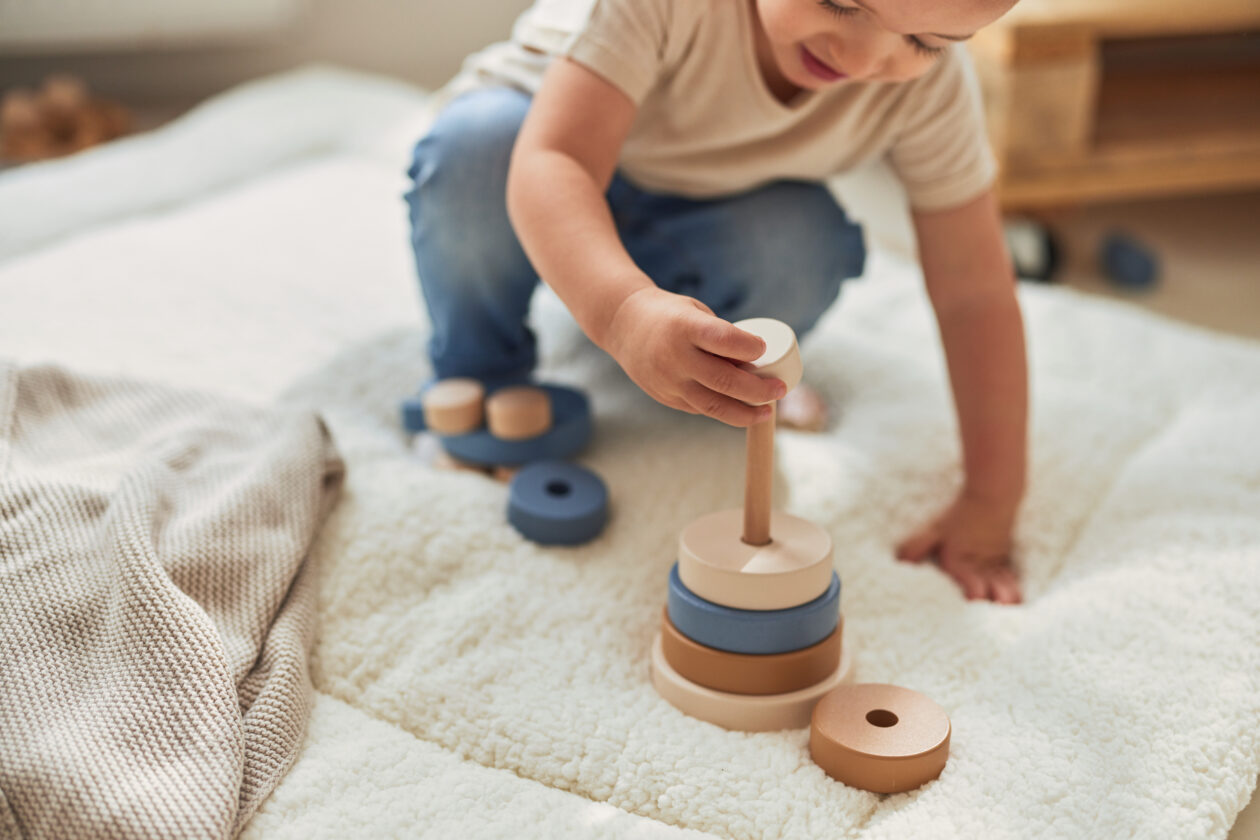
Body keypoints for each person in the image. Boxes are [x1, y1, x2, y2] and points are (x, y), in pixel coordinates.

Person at [406, 0, 1027, 604]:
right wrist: (623, 313)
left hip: (699, 209)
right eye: (840, 4)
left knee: (798, 241)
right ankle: (482, 373)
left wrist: (992, 503)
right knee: (475, 150)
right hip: (537, 160)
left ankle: (708, 367)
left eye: (925, 43)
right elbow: (554, 161)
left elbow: (974, 291)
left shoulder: (933, 89)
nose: (864, 58)